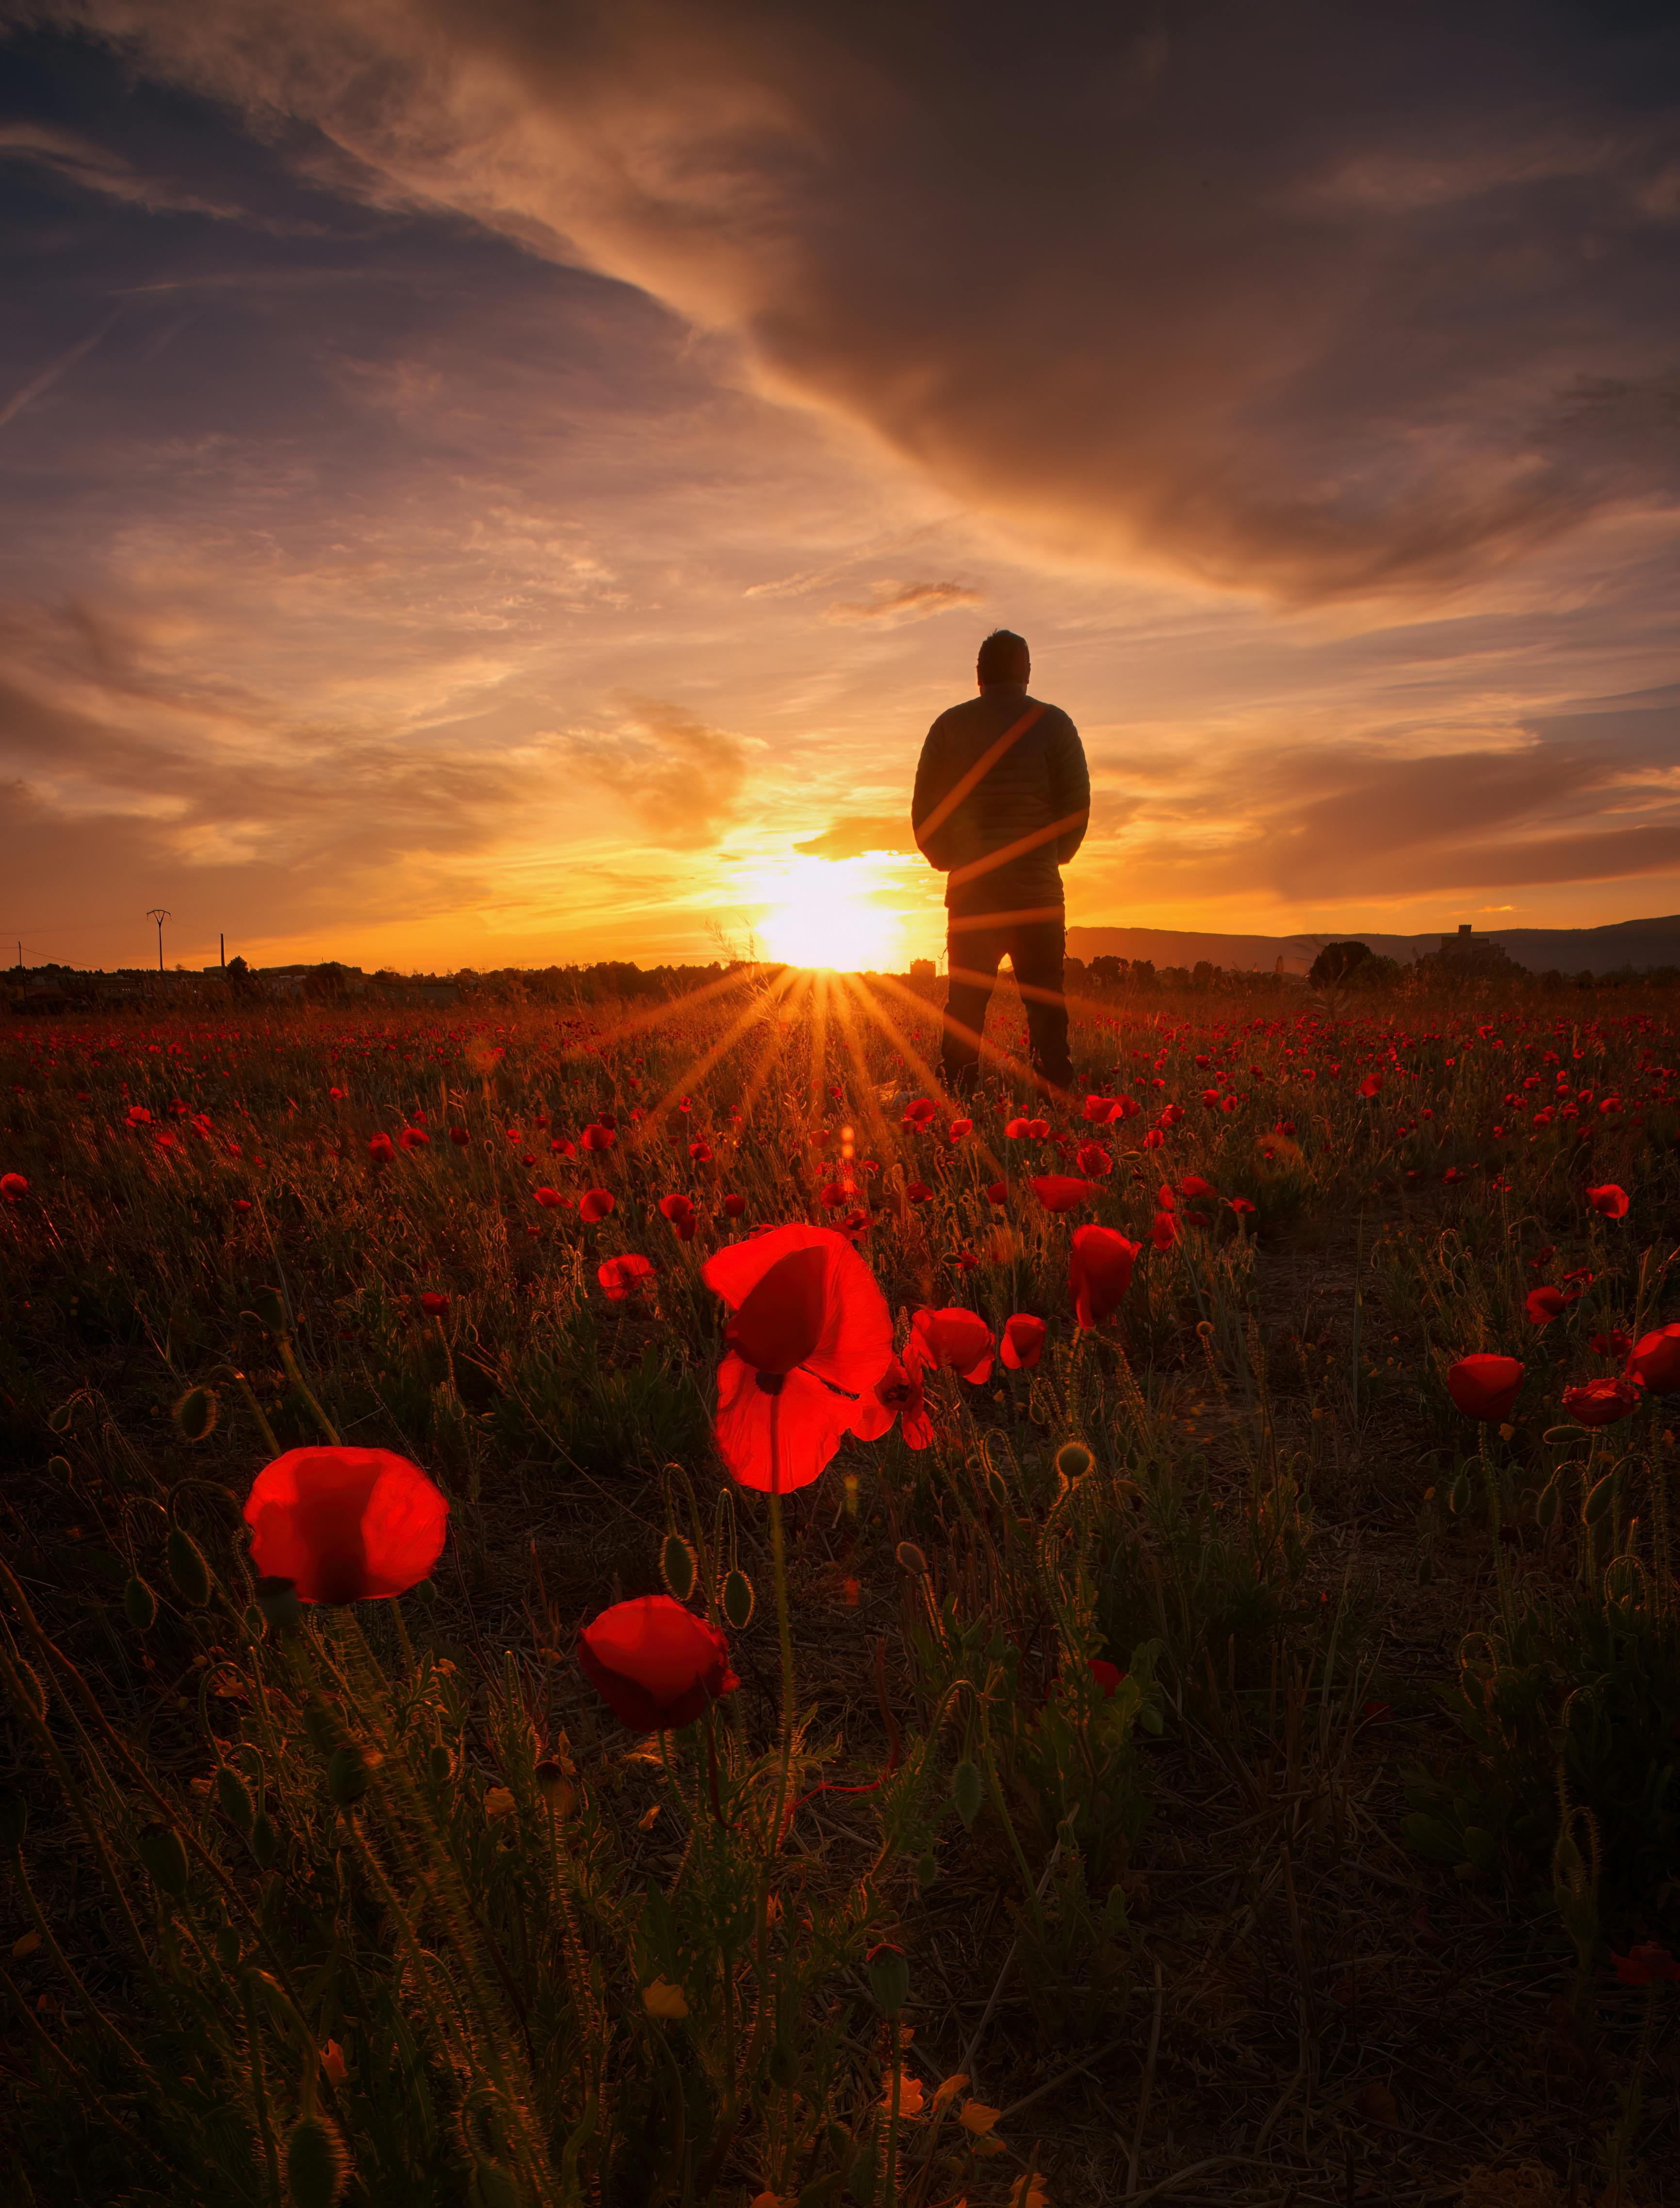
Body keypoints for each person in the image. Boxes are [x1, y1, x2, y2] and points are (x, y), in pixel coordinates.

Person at [911, 629, 1089, 1096]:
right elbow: (1077, 808)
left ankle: (956, 1100)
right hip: (1038, 895)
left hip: (973, 894)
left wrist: (952, 860)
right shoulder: (1055, 725)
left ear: (978, 675)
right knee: (1046, 1006)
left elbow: (924, 815)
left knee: (966, 1004)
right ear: (1026, 673)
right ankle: (1055, 1095)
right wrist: (1053, 859)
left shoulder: (948, 727)